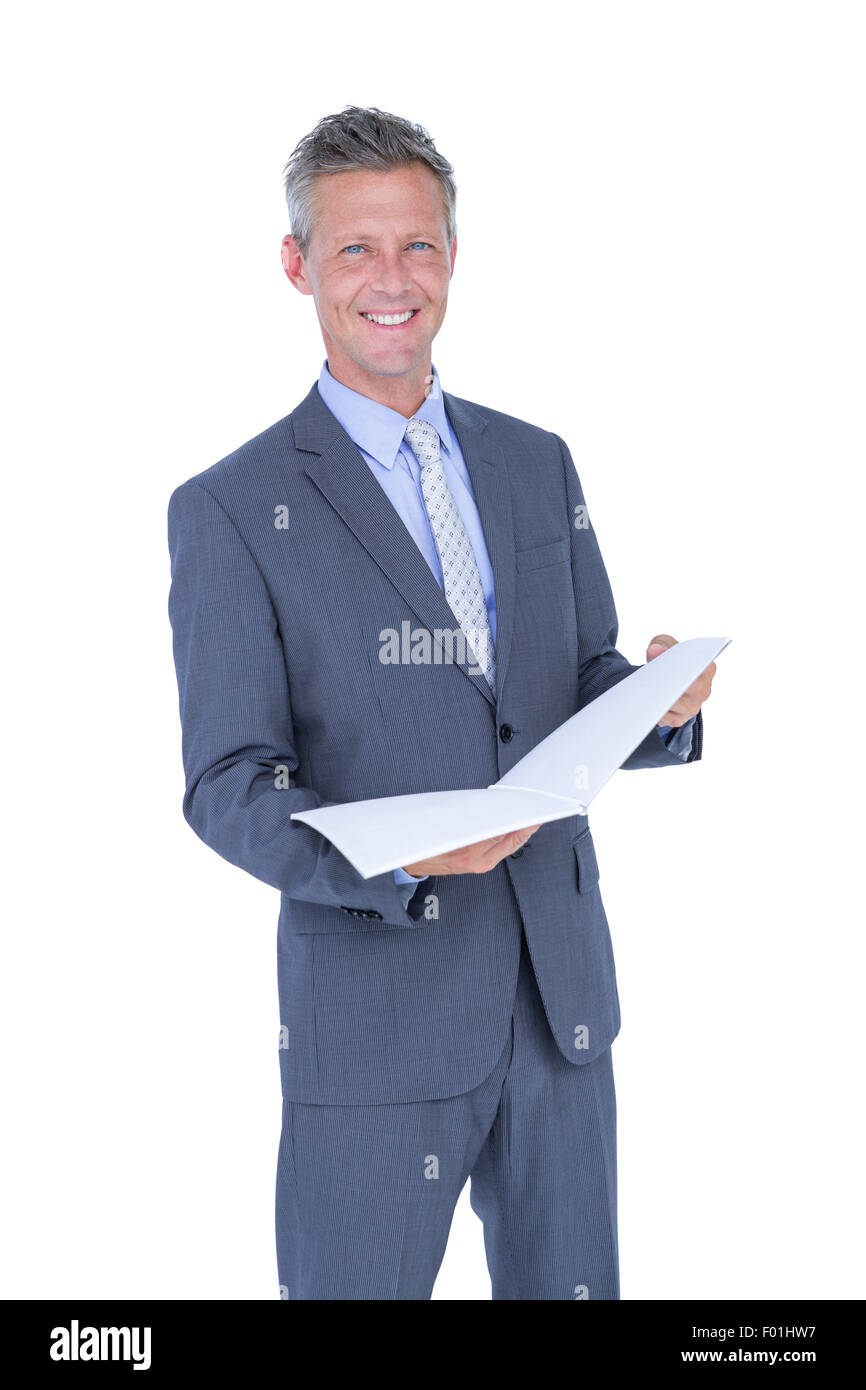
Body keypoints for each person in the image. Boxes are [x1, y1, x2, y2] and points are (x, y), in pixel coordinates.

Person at [167, 104, 716, 1300]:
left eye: (417, 244)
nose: (390, 279)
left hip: (556, 1003)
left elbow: (574, 689)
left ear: (452, 258)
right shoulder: (229, 508)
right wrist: (408, 857)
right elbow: (226, 788)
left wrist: (656, 702)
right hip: (375, 1020)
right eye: (355, 248)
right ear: (296, 265)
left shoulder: (536, 462)